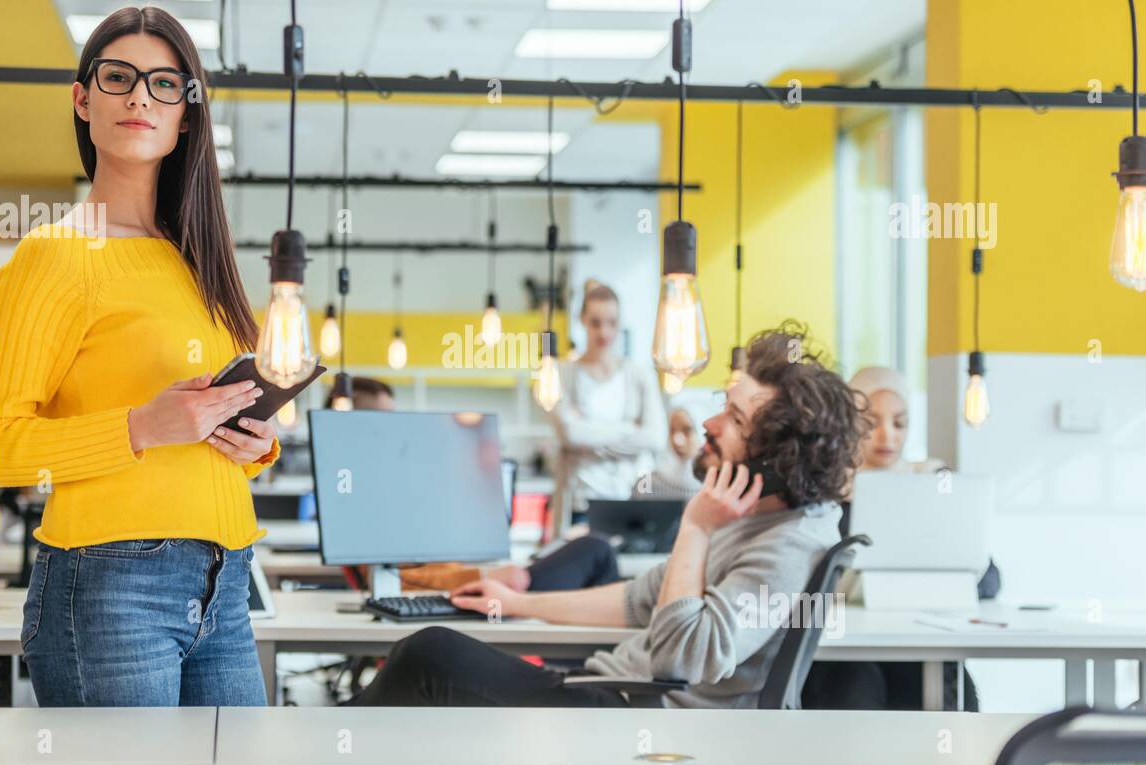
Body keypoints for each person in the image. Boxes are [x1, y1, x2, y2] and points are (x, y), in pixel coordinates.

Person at [0, 7, 277, 707]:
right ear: (84, 101)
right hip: (110, 585)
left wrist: (253, 440)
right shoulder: (53, 256)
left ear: (186, 113)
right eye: (118, 78)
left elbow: (210, 419)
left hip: (228, 578)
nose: (140, 96)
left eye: (164, 84)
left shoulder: (201, 261)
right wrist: (141, 427)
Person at [346, 323, 864, 708]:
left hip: (637, 714)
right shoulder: (760, 519)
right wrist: (522, 603)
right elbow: (640, 601)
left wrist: (696, 526)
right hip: (614, 690)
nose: (708, 423)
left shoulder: (789, 545)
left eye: (732, 418)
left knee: (430, 654)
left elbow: (681, 658)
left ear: (777, 458)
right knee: (429, 662)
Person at [801, 365, 999, 711]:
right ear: (848, 424)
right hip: (847, 648)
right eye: (870, 423)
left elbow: (987, 578)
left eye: (899, 423)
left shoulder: (932, 483)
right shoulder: (824, 492)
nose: (887, 437)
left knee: (952, 692)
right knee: (855, 689)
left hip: (920, 639)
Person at [329, 377, 620, 593]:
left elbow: (431, 563)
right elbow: (399, 580)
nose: (394, 430)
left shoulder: (384, 488)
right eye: (384, 420)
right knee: (596, 550)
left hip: (481, 585)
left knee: (594, 550)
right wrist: (482, 576)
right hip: (475, 592)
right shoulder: (360, 497)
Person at [547, 282, 667, 535]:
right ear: (582, 320)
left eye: (612, 322)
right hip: (580, 503)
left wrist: (591, 437)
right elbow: (570, 434)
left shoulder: (639, 375)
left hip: (630, 499)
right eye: (596, 322)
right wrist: (630, 430)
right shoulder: (563, 374)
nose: (604, 332)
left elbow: (656, 438)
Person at [632, 390, 719, 500]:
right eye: (672, 430)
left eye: (687, 430)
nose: (677, 440)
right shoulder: (647, 483)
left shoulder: (717, 485)